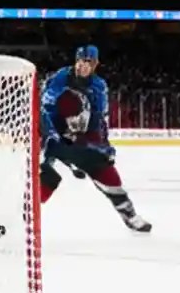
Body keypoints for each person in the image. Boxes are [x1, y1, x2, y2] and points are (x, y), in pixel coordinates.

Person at [39, 45, 151, 232]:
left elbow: (100, 119)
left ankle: (130, 216)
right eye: (81, 61)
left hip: (81, 137)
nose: (83, 65)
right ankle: (18, 217)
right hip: (54, 135)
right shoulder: (60, 77)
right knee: (48, 177)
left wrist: (105, 147)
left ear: (95, 64)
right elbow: (45, 110)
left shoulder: (99, 86)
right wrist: (51, 135)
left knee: (108, 174)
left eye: (88, 62)